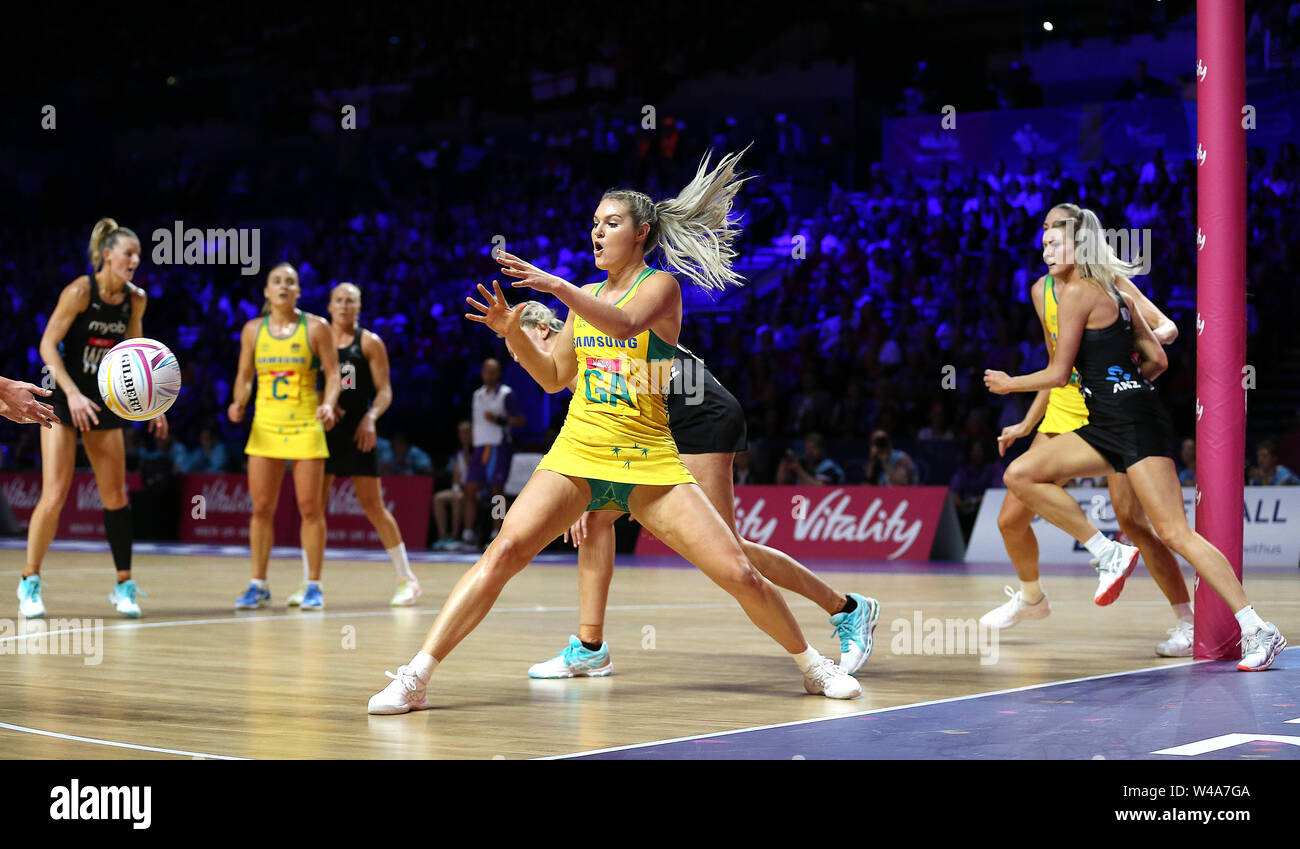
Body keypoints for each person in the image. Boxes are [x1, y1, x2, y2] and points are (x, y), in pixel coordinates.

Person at [368, 149, 861, 714]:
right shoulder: (586, 298)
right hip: (579, 452)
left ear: (641, 232)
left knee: (737, 572)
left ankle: (813, 666)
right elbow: (555, 378)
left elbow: (624, 324)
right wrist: (512, 333)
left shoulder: (659, 289)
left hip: (649, 457)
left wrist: (554, 287)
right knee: (502, 551)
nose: (596, 232)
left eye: (610, 223)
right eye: (594, 224)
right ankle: (416, 676)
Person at [508, 302, 880, 679]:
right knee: (594, 522)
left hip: (700, 417)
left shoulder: (583, 344)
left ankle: (847, 608)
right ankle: (590, 648)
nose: (521, 361)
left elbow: (630, 414)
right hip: (664, 424)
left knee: (728, 549)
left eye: (518, 348)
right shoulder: (581, 347)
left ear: (541, 327)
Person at [985, 206, 1286, 671]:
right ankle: (1107, 552)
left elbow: (1059, 371)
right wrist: (1122, 383)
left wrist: (1009, 384)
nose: (1045, 248)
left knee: (1174, 532)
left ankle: (1257, 628)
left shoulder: (1082, 292)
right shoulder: (1108, 291)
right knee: (1021, 475)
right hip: (1110, 419)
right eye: (1043, 240)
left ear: (1079, 245)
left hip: (1132, 425)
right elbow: (1159, 363)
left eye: (1055, 241)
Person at [982, 203, 1196, 658]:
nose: (1047, 236)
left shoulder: (1109, 282)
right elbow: (1057, 364)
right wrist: (1025, 422)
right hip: (1063, 407)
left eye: (1056, 228)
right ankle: (1032, 598)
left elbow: (1167, 329)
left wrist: (1134, 355)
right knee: (1010, 519)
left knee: (1134, 523)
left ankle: (1186, 621)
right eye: (1044, 229)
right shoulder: (1042, 291)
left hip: (1110, 407)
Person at [19, 219, 167, 620]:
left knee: (116, 495)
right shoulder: (81, 291)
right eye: (129, 254)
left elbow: (137, 352)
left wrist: (155, 406)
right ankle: (29, 581)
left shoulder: (135, 299)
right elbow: (48, 344)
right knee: (54, 494)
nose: (135, 260)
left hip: (104, 401)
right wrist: (71, 393)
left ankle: (124, 585)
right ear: (107, 255)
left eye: (138, 255)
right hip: (65, 396)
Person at [286, 283, 420, 607]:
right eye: (339, 301)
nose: (345, 306)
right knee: (312, 510)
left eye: (351, 301)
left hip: (358, 433)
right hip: (321, 432)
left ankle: (407, 579)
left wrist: (371, 418)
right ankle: (310, 584)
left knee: (373, 506)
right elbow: (305, 383)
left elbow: (385, 390)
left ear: (359, 307)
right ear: (329, 306)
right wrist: (324, 403)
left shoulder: (369, 343)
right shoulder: (317, 340)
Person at [227, 263, 340, 610]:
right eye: (277, 282)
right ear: (266, 292)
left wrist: (330, 404)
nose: (283, 287)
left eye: (290, 282)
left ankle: (314, 585)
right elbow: (245, 375)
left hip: (305, 423)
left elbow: (335, 374)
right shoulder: (252, 330)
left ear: (298, 292)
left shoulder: (317, 327)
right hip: (265, 425)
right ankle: (258, 583)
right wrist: (238, 401)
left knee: (311, 509)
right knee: (261, 508)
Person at [460, 358, 525, 549]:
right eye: (486, 371)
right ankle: (467, 535)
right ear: (482, 373)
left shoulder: (506, 394)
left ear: (498, 374)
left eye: (493, 371)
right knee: (469, 489)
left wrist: (499, 420)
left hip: (498, 445)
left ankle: (497, 533)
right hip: (479, 446)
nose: (489, 375)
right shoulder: (477, 395)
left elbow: (520, 420)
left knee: (497, 491)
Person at [432, 420, 473, 550]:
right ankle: (443, 537)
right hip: (460, 489)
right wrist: (455, 488)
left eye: (466, 432)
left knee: (458, 498)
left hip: (474, 490)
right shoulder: (458, 453)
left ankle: (455, 537)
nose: (463, 435)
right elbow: (456, 476)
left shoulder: (479, 452)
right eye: (461, 433)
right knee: (438, 497)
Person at [776, 432, 845, 486]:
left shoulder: (829, 466)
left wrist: (798, 469)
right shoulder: (803, 464)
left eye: (813, 448)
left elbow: (820, 489)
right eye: (807, 448)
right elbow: (781, 483)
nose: (810, 452)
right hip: (803, 501)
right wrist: (784, 461)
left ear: (821, 449)